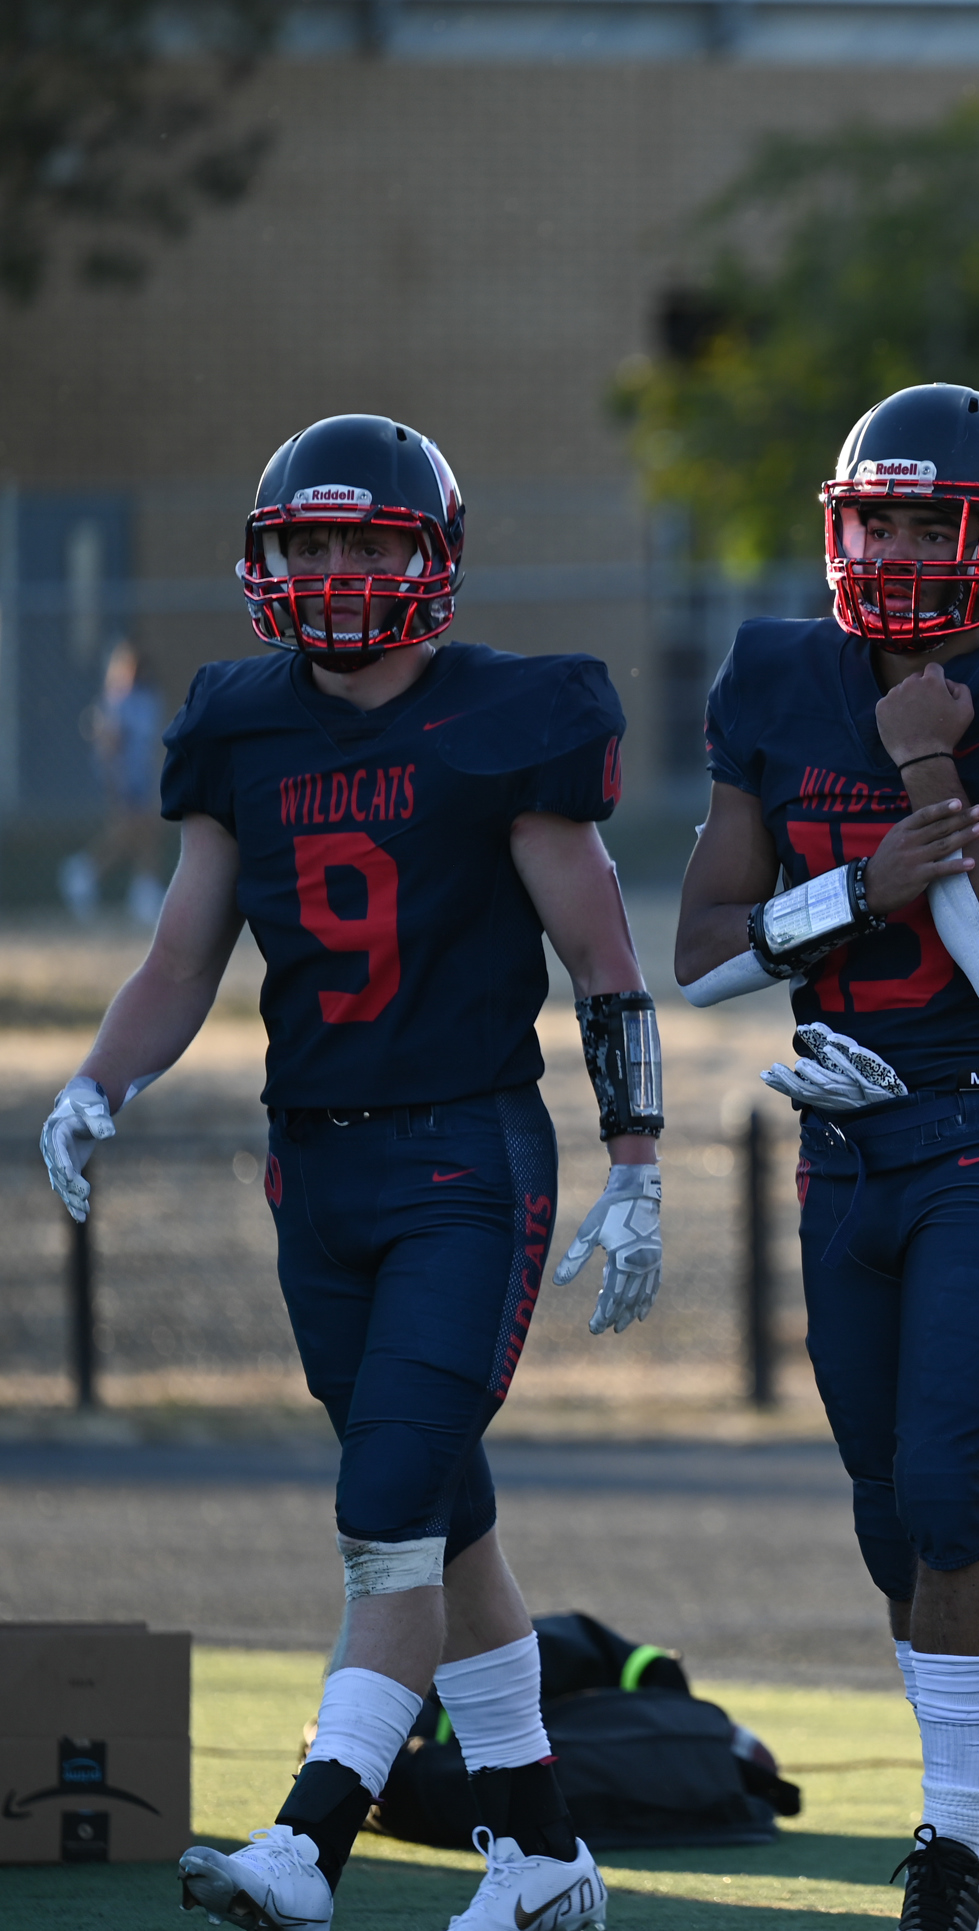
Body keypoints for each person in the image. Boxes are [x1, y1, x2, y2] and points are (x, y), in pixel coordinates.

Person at [38, 414, 668, 1931]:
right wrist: (93, 1078)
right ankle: (543, 1857)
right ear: (267, 563)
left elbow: (603, 960)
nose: (330, 571)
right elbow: (185, 951)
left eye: (363, 543)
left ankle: (312, 1840)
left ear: (427, 563)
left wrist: (635, 1160)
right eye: (306, 543)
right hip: (313, 1172)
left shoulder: (508, 715)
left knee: (385, 1497)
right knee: (445, 1518)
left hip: (465, 1155)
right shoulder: (242, 722)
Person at [674, 383, 979, 1931]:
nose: (889, 543)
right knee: (888, 1509)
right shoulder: (773, 672)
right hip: (848, 1135)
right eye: (872, 514)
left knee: (954, 1480)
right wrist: (861, 884)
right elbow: (699, 951)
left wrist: (925, 769)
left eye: (926, 518)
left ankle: (968, 1848)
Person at [60, 639, 168, 924]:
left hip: (144, 777)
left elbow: (154, 744)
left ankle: (141, 891)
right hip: (124, 779)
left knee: (145, 833)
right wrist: (116, 784)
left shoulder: (148, 699)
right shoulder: (115, 703)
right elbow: (110, 748)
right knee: (127, 832)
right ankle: (86, 873)